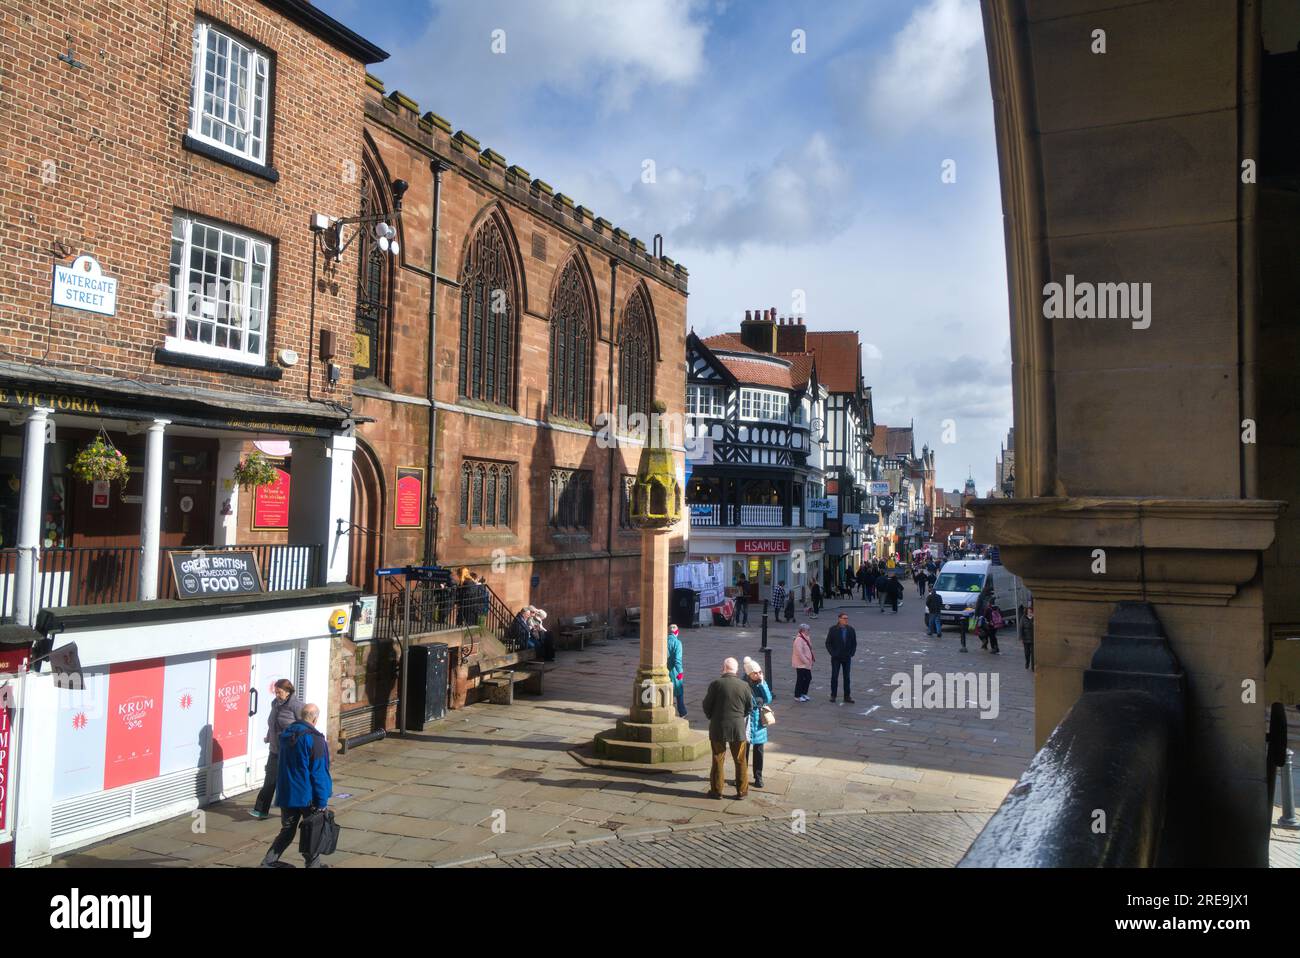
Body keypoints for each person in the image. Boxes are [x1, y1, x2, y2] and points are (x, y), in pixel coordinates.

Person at [260, 702, 331, 868]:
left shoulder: (287, 734)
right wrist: (321, 801)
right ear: (315, 719)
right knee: (312, 832)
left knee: (288, 830)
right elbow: (318, 772)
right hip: (307, 795)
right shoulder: (315, 739)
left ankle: (268, 862)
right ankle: (312, 866)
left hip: (287, 792)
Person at [702, 658, 754, 799]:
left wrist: (711, 716)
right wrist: (739, 716)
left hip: (718, 727)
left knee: (718, 758)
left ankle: (717, 791)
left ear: (723, 668)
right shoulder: (744, 685)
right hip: (737, 728)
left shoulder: (716, 684)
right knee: (740, 760)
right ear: (736, 670)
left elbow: (706, 705)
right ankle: (742, 791)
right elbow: (750, 707)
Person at [250, 679, 302, 820]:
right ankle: (261, 810)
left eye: (279, 692)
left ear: (288, 691)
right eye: (276, 692)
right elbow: (272, 723)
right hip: (274, 749)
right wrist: (269, 736)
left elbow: (304, 727)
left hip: (289, 751)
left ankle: (297, 807)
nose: (277, 695)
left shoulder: (296, 706)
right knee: (270, 779)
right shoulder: (275, 704)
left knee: (289, 781)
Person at [743, 657, 772, 789]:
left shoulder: (761, 682)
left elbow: (768, 698)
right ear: (749, 673)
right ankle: (742, 776)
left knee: (759, 750)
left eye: (760, 672)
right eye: (756, 672)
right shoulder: (743, 683)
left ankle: (758, 777)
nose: (759, 674)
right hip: (747, 720)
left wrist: (762, 683)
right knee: (744, 751)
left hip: (759, 720)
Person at [825, 612, 856, 704]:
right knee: (834, 676)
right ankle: (833, 695)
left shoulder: (851, 630)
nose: (846, 620)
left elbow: (854, 643)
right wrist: (833, 653)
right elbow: (828, 643)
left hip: (847, 657)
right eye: (844, 618)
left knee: (847, 677)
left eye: (847, 618)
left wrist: (852, 653)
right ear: (839, 619)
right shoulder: (833, 629)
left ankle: (847, 696)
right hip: (836, 657)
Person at [667, 623, 687, 717]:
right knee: (679, 690)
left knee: (667, 690)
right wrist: (680, 672)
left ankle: (667, 708)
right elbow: (678, 659)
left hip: (664, 669)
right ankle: (682, 711)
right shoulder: (677, 643)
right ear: (677, 632)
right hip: (674, 670)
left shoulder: (663, 641)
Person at [792, 623, 815, 701]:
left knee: (808, 678)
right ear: (803, 630)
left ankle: (803, 693)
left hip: (806, 663)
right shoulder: (799, 639)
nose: (809, 631)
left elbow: (809, 649)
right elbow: (799, 652)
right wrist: (806, 661)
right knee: (801, 679)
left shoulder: (806, 637)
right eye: (808, 630)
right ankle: (797, 696)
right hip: (801, 663)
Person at [1021, 600, 1035, 670]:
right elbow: (1021, 628)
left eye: (1031, 611)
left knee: (1033, 654)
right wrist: (1022, 638)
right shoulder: (1023, 618)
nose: (1030, 612)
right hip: (1026, 639)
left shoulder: (1035, 618)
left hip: (1033, 639)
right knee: (1027, 653)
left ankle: (1033, 667)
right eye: (1029, 611)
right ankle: (1027, 662)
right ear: (1026, 612)